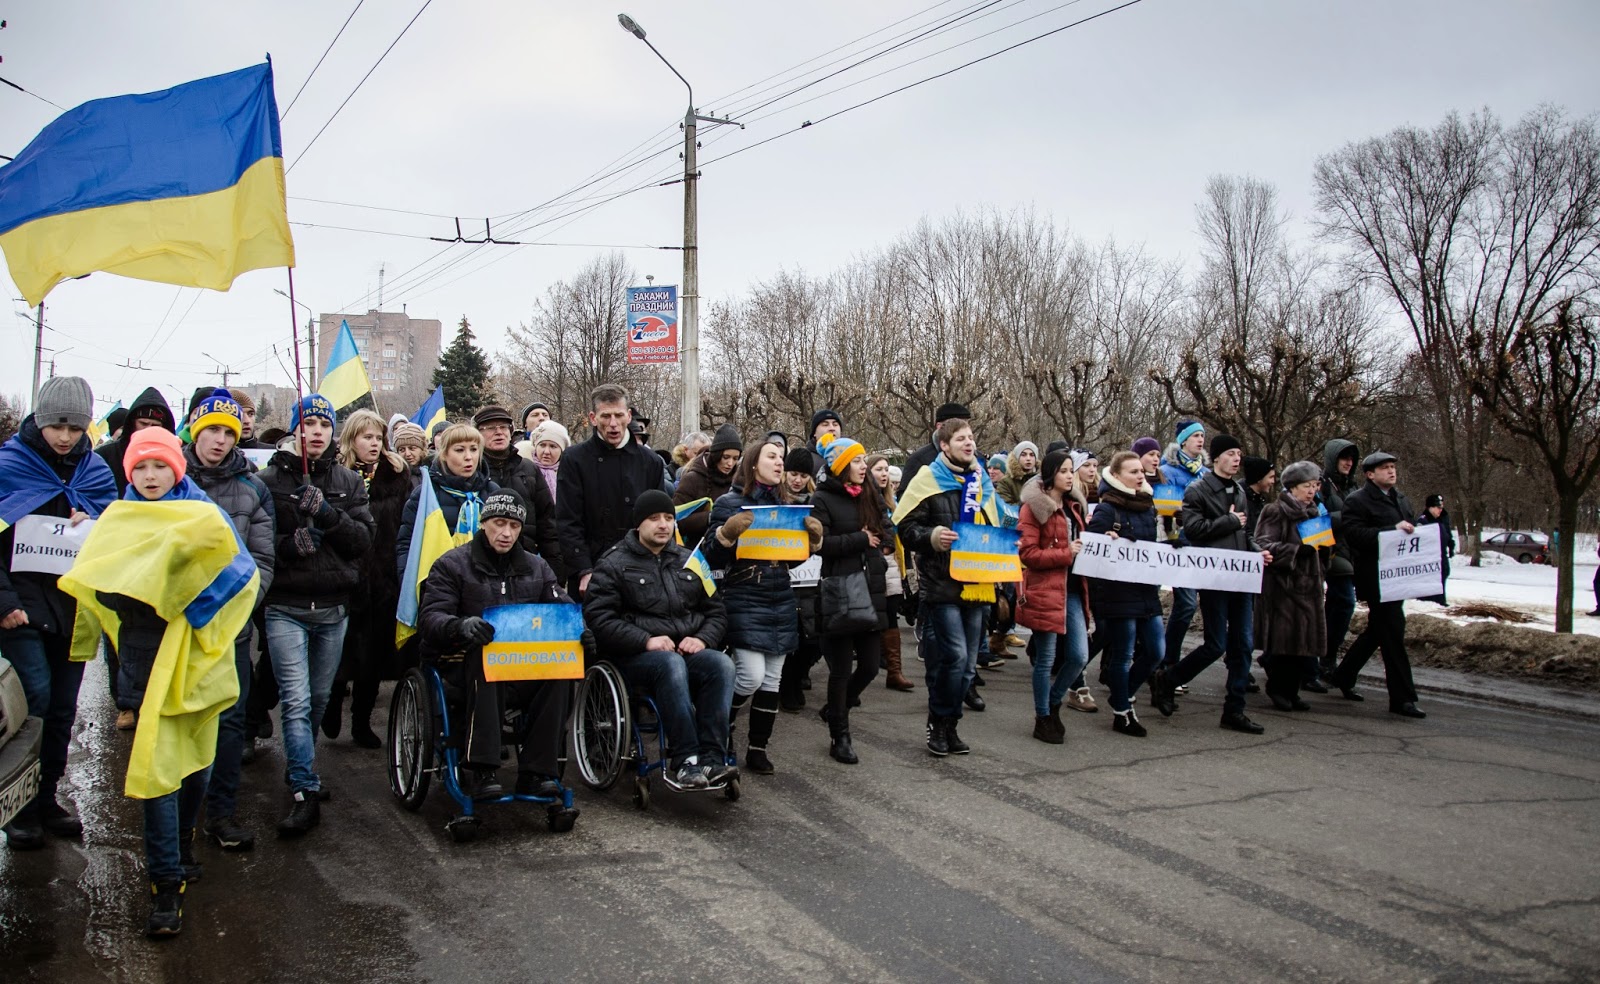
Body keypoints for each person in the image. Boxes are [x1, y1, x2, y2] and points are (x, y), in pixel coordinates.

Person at [63, 426, 256, 936]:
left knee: (194, 766)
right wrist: (148, 586)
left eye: (160, 466)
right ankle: (165, 885)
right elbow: (104, 589)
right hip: (144, 660)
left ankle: (184, 848)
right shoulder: (119, 520)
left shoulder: (204, 517)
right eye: (140, 467)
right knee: (157, 772)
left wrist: (187, 601)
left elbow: (241, 575)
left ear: (177, 468)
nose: (150, 476)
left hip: (200, 660)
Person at [0, 377, 116, 850]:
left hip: (73, 609)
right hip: (21, 608)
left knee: (63, 710)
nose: (65, 437)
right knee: (35, 703)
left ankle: (46, 797)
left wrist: (94, 523)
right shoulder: (9, 465)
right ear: (39, 420)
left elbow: (115, 533)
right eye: (56, 426)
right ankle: (18, 808)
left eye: (74, 427)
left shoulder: (95, 472)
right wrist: (4, 603)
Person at [257, 394, 376, 837]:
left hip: (332, 607)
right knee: (295, 700)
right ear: (296, 429)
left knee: (319, 698)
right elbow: (257, 544)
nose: (318, 432)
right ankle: (304, 786)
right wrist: (288, 547)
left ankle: (301, 765)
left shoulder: (348, 481)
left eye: (325, 425)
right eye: (309, 424)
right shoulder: (266, 481)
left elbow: (361, 540)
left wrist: (327, 513)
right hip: (285, 607)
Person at [418, 490, 572, 798]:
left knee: (561, 670)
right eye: (499, 523)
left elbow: (561, 608)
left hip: (522, 665)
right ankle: (481, 767)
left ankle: (537, 770)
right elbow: (431, 616)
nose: (506, 533)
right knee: (486, 656)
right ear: (484, 523)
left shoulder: (537, 567)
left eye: (514, 526)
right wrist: (460, 625)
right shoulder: (452, 564)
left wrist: (580, 631)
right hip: (464, 663)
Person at [584, 490, 737, 788]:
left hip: (686, 650)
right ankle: (686, 760)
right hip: (634, 657)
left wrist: (703, 639)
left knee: (721, 665)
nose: (663, 525)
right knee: (670, 664)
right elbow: (599, 618)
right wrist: (645, 640)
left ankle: (712, 759)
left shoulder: (691, 560)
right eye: (654, 518)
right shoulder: (613, 563)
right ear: (638, 523)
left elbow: (717, 612)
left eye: (668, 518)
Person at [181, 390, 275, 851]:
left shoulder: (253, 488)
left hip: (231, 628)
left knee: (230, 720)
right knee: (182, 721)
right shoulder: (167, 478)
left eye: (229, 432)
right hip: (177, 629)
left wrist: (236, 606)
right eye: (212, 430)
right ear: (195, 431)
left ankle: (220, 813)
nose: (220, 440)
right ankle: (178, 817)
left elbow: (262, 560)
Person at [704, 438, 817, 775]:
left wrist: (811, 544)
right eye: (772, 456)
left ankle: (758, 748)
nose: (780, 462)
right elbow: (711, 555)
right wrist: (726, 534)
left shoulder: (787, 505)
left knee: (772, 680)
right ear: (754, 464)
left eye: (781, 457)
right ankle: (718, 730)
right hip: (743, 594)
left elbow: (789, 560)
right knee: (750, 676)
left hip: (780, 596)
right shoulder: (729, 503)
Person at [1149, 434, 1274, 734]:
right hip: (1214, 577)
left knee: (1243, 646)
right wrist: (1229, 522)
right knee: (1216, 645)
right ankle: (1168, 679)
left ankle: (1234, 710)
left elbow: (1246, 533)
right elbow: (1193, 529)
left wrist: (1257, 551)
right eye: (1230, 453)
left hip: (1241, 577)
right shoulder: (1198, 489)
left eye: (1239, 454)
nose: (1236, 459)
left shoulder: (1239, 491)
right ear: (1216, 457)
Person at [895, 417, 998, 757]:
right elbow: (905, 528)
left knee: (968, 666)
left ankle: (950, 725)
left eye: (971, 437)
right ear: (944, 445)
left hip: (978, 582)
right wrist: (933, 537)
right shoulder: (927, 479)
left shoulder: (981, 481)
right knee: (955, 656)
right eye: (961, 439)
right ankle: (937, 723)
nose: (969, 443)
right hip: (941, 584)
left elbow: (996, 524)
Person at [325, 409, 414, 748]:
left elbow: (406, 526)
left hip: (384, 577)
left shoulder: (397, 475)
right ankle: (332, 702)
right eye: (367, 437)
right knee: (341, 648)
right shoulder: (336, 475)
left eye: (379, 437)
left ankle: (361, 721)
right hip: (344, 575)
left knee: (374, 654)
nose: (374, 443)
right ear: (351, 439)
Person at [1326, 451, 1426, 719]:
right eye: (1385, 468)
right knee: (1393, 631)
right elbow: (1355, 535)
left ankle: (1344, 674)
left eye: (1393, 467)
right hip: (1374, 577)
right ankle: (1402, 698)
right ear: (1370, 474)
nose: (1391, 471)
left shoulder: (1401, 499)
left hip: (1398, 575)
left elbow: (1409, 530)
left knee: (1378, 630)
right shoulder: (1358, 500)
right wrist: (1392, 531)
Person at [811, 433, 890, 764]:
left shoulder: (870, 492)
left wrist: (882, 540)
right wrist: (859, 539)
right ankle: (839, 736)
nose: (863, 466)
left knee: (870, 667)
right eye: (856, 461)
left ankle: (835, 709)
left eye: (863, 460)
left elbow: (885, 527)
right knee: (841, 670)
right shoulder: (822, 499)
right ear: (841, 465)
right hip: (840, 591)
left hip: (871, 588)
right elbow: (821, 545)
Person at [556, 384, 666, 597]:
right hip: (592, 568)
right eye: (606, 416)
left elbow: (658, 519)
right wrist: (582, 569)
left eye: (619, 415)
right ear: (593, 418)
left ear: (629, 416)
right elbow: (567, 520)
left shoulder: (650, 462)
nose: (613, 424)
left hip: (640, 569)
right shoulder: (574, 459)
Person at [1085, 452, 1165, 737]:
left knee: (1156, 651)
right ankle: (1122, 712)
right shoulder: (1107, 510)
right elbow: (1090, 551)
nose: (1140, 475)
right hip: (1117, 592)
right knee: (1123, 654)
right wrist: (1107, 541)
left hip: (1145, 590)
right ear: (1116, 476)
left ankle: (1123, 694)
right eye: (1133, 472)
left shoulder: (1148, 506)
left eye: (1141, 471)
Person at [1016, 449, 1091, 744]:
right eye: (1064, 471)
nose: (1070, 476)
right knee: (1046, 658)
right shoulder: (1033, 507)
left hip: (1072, 588)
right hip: (1044, 589)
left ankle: (1054, 700)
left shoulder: (1074, 505)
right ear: (1050, 474)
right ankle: (1043, 716)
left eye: (1071, 470)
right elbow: (1027, 553)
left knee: (1079, 655)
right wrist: (1065, 553)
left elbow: (1083, 542)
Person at [1253, 461, 1330, 712]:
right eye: (1307, 486)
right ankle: (1278, 689)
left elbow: (1322, 550)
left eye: (1315, 485)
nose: (1312, 490)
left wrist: (1324, 553)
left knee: (1303, 643)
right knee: (1284, 642)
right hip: (1283, 587)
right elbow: (1263, 544)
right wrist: (1296, 551)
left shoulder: (1316, 513)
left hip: (1310, 587)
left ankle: (1292, 691)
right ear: (1292, 487)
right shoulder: (1276, 511)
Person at [473, 405, 564, 580]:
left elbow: (547, 525)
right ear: (477, 433)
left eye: (503, 427)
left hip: (524, 567)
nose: (499, 433)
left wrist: (556, 573)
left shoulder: (528, 469)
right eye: (490, 428)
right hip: (479, 569)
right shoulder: (472, 471)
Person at [1159, 420, 1208, 669]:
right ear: (1183, 441)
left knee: (1192, 606)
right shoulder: (1167, 471)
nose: (1200, 440)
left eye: (1202, 436)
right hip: (1177, 545)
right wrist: (1172, 534)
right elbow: (1164, 511)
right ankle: (1168, 661)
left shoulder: (1206, 474)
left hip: (1202, 545)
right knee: (1187, 603)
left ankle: (1166, 660)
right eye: (1195, 435)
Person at [777, 445, 823, 712]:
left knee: (813, 640)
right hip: (785, 578)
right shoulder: (775, 499)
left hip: (811, 578)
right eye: (793, 474)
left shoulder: (815, 502)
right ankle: (787, 685)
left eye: (803, 476)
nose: (797, 480)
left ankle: (798, 675)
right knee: (790, 637)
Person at [866, 453, 914, 692]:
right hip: (872, 564)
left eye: (886, 469)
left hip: (893, 564)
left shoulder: (892, 501)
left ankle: (895, 671)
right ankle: (870, 664)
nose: (884, 474)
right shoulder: (865, 500)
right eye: (879, 469)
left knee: (892, 614)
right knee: (873, 616)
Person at [1319, 439, 1361, 680]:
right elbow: (1315, 520)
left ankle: (1325, 656)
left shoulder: (1353, 488)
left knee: (1335, 608)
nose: (1348, 462)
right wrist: (1347, 517)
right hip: (1329, 553)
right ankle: (1325, 658)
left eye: (1352, 458)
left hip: (1351, 553)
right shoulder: (1322, 486)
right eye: (1344, 458)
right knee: (1344, 603)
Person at [95, 386, 176, 497]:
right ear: (132, 423)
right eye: (143, 423)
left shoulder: (174, 458)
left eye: (155, 425)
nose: (148, 429)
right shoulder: (105, 456)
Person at [673, 422, 741, 545]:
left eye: (735, 458)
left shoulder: (739, 481)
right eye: (726, 457)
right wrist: (711, 517)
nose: (730, 463)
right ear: (716, 455)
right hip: (696, 550)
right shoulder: (691, 480)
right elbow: (677, 520)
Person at [897, 402, 972, 498]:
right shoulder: (919, 459)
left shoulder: (978, 460)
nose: (963, 430)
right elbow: (905, 497)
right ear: (939, 427)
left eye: (966, 425)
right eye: (956, 426)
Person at [1416, 494, 1454, 605]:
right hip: (1430, 559)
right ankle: (1432, 602)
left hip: (1441, 556)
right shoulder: (1423, 521)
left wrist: (1450, 543)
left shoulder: (1440, 519)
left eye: (1442, 507)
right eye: (1438, 507)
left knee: (1443, 577)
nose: (1441, 510)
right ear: (1430, 507)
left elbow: (1446, 534)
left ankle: (1441, 601)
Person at [524, 420, 569, 506]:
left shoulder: (569, 475)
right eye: (542, 445)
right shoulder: (523, 471)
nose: (547, 451)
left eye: (553, 446)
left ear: (561, 450)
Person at [1242, 456, 1275, 536]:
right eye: (1271, 477)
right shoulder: (1242, 501)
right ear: (1259, 479)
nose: (1273, 481)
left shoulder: (1259, 500)